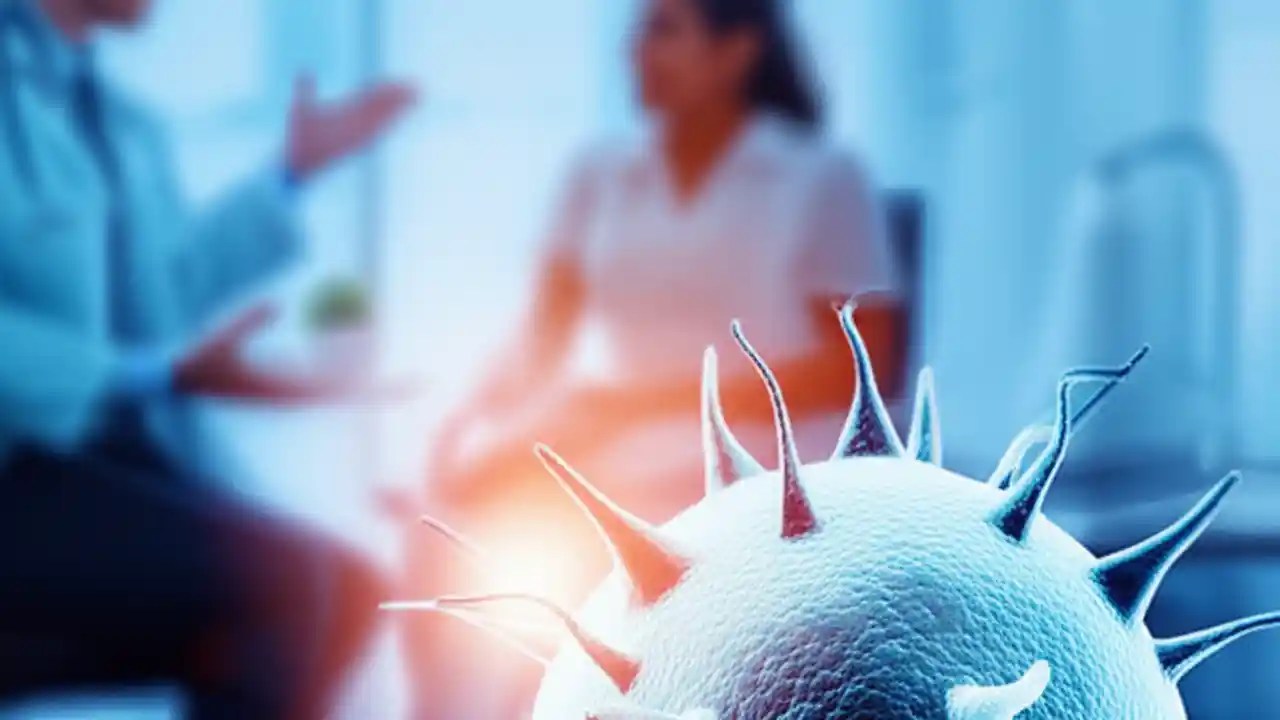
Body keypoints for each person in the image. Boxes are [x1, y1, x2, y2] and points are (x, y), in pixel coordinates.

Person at [399, 0, 903, 716]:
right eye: (637, 33)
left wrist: (644, 403)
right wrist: (475, 420)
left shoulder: (820, 178)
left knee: (582, 576)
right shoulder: (599, 174)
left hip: (767, 471)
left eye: (664, 32)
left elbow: (864, 365)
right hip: (619, 450)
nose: (637, 53)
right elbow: (539, 337)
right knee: (453, 538)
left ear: (737, 52)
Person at [0, 0, 415, 717]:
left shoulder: (115, 120)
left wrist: (290, 175)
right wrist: (152, 373)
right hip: (20, 470)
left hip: (105, 463)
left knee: (350, 589)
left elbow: (166, 291)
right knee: (288, 591)